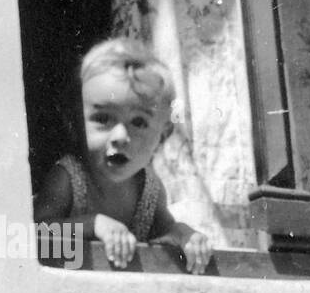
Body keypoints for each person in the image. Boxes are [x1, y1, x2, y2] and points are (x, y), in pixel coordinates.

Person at [33, 38, 213, 274]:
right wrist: (93, 223)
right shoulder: (68, 177)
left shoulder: (150, 188)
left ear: (164, 133)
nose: (119, 136)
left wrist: (184, 234)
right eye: (103, 119)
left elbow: (164, 232)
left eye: (138, 122)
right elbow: (35, 232)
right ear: (75, 122)